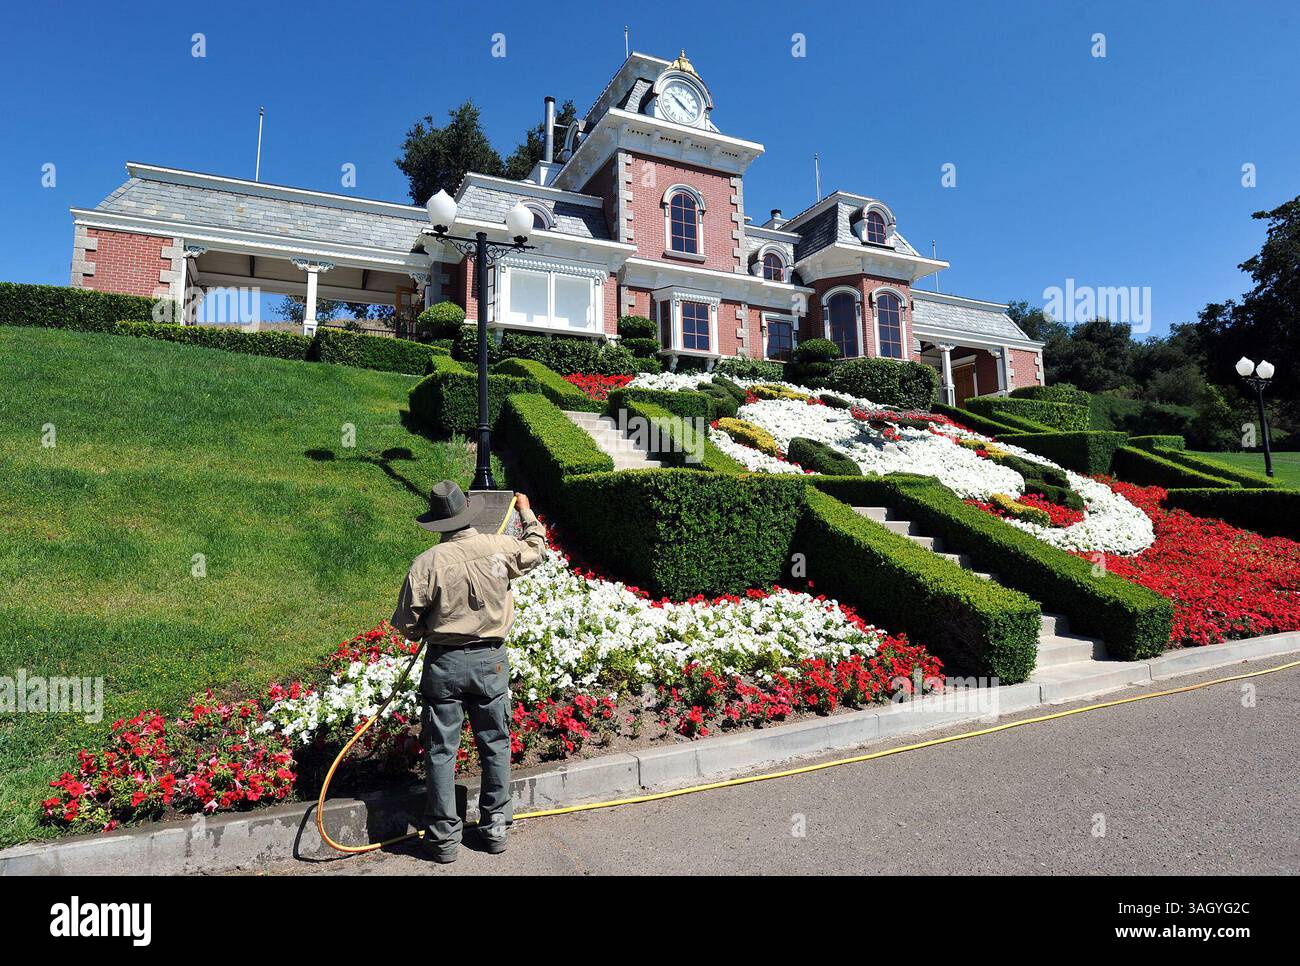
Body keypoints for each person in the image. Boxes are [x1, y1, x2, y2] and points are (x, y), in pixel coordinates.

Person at [390, 480, 546, 863]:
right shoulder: (499, 548)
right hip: (490, 661)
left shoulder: (427, 564)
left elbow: (406, 624)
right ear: (467, 513)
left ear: (439, 523)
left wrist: (428, 628)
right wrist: (525, 511)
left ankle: (443, 841)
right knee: (495, 742)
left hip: (444, 663)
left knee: (442, 751)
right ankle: (494, 829)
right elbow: (537, 550)